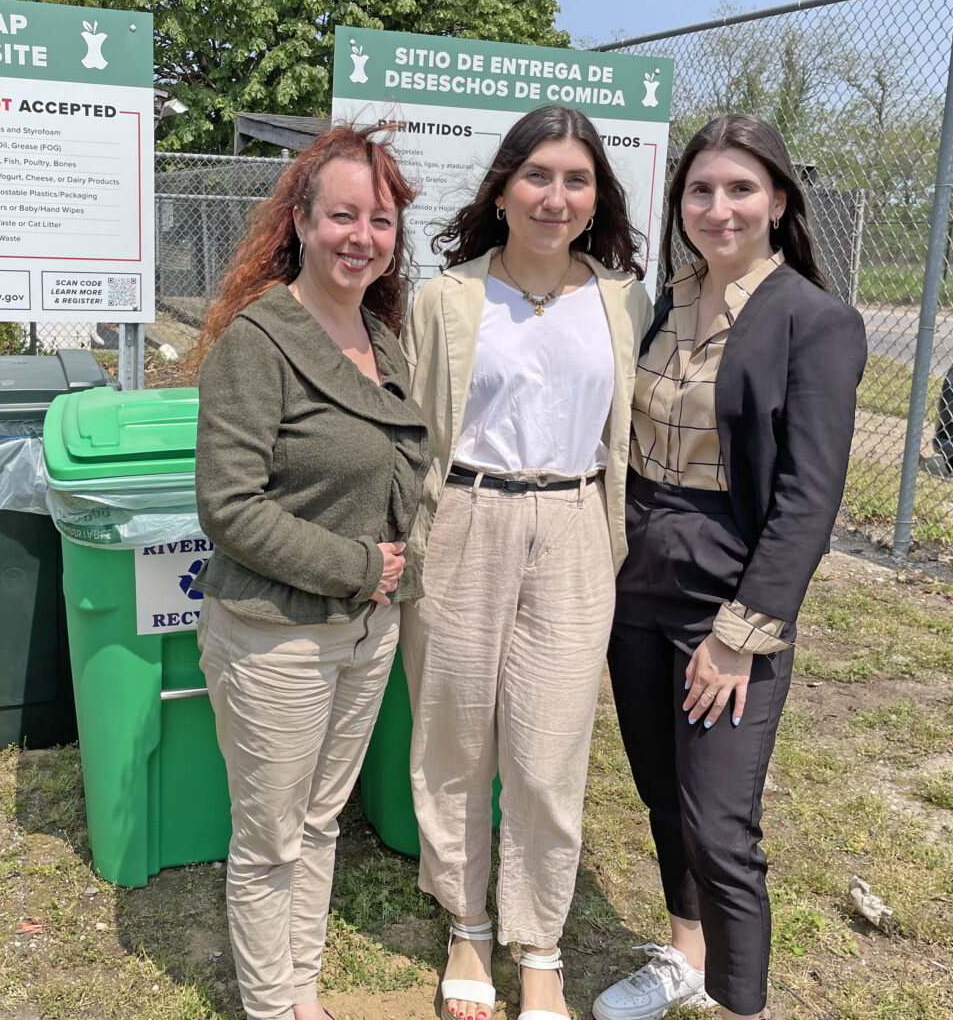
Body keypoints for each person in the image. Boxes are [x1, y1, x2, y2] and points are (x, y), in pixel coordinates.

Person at [592, 114, 867, 1020]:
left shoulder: (815, 322)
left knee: (721, 822)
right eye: (700, 190)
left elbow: (806, 501)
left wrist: (741, 636)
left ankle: (740, 1002)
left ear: (779, 201)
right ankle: (685, 954)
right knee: (659, 787)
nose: (719, 208)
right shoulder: (656, 305)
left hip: (728, 585)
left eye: (741, 189)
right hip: (638, 573)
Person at [399, 105, 654, 1020]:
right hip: (465, 518)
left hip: (579, 525)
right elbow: (411, 433)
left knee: (549, 754)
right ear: (503, 188)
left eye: (576, 179)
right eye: (537, 175)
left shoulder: (625, 300)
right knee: (455, 738)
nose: (555, 196)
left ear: (597, 199)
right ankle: (468, 925)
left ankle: (539, 945)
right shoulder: (446, 299)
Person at [191, 124, 430, 1020]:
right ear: (299, 220)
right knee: (268, 840)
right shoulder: (260, 343)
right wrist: (361, 565)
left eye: (380, 219)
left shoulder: (381, 337)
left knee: (319, 822)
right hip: (276, 635)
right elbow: (230, 506)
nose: (361, 236)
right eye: (342, 215)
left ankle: (303, 993)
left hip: (365, 634)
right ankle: (271, 1005)